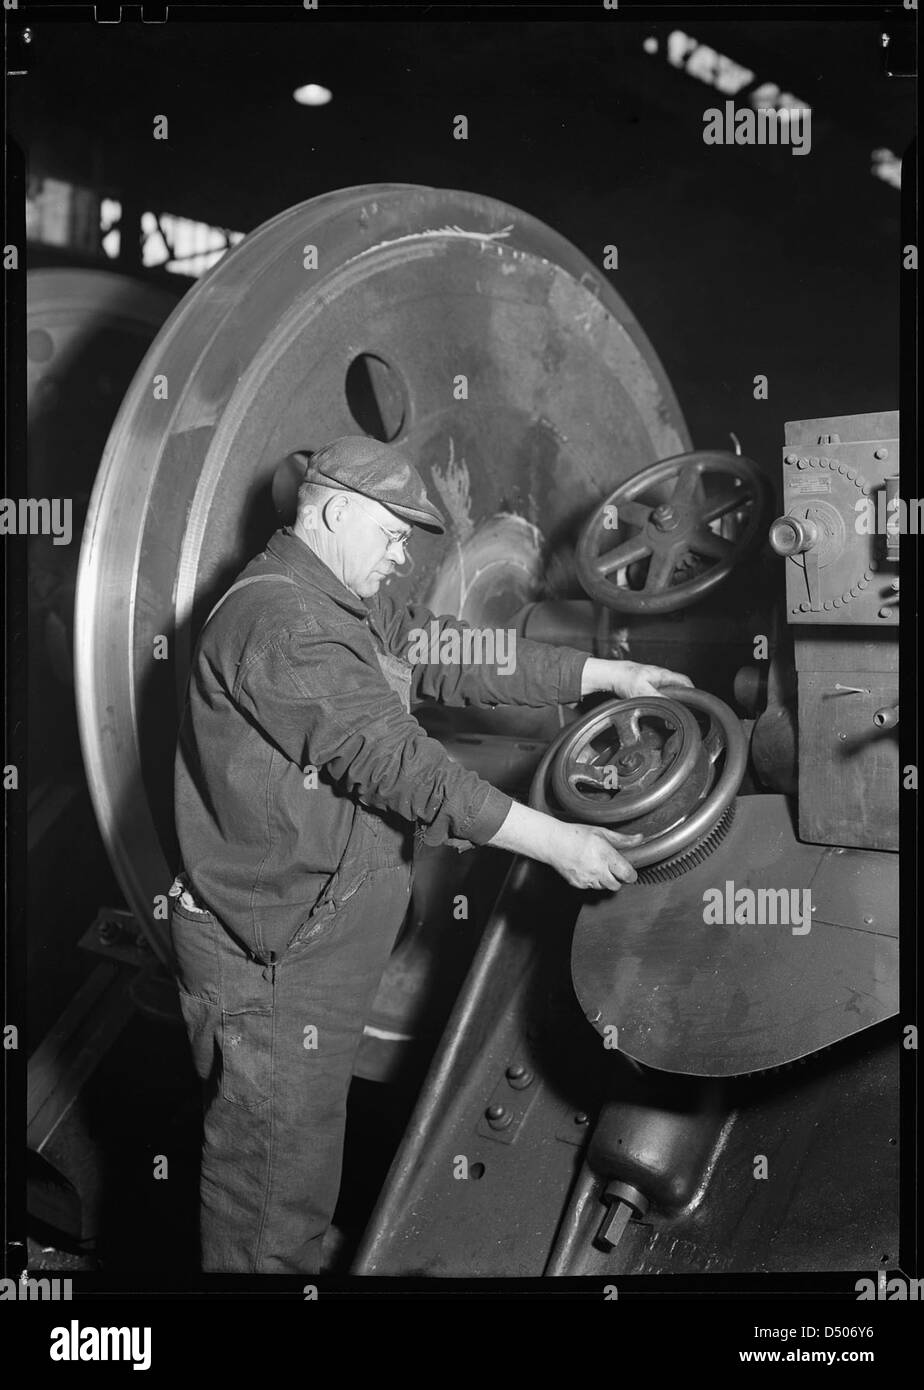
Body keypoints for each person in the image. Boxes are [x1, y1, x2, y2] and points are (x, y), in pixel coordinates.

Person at [169, 434, 692, 1274]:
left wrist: (602, 674)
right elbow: (399, 765)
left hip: (321, 931)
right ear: (336, 513)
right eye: (393, 533)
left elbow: (458, 652)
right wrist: (555, 840)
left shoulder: (340, 598)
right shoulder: (279, 623)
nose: (405, 552)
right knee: (266, 1190)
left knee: (299, 1158)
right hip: (273, 956)